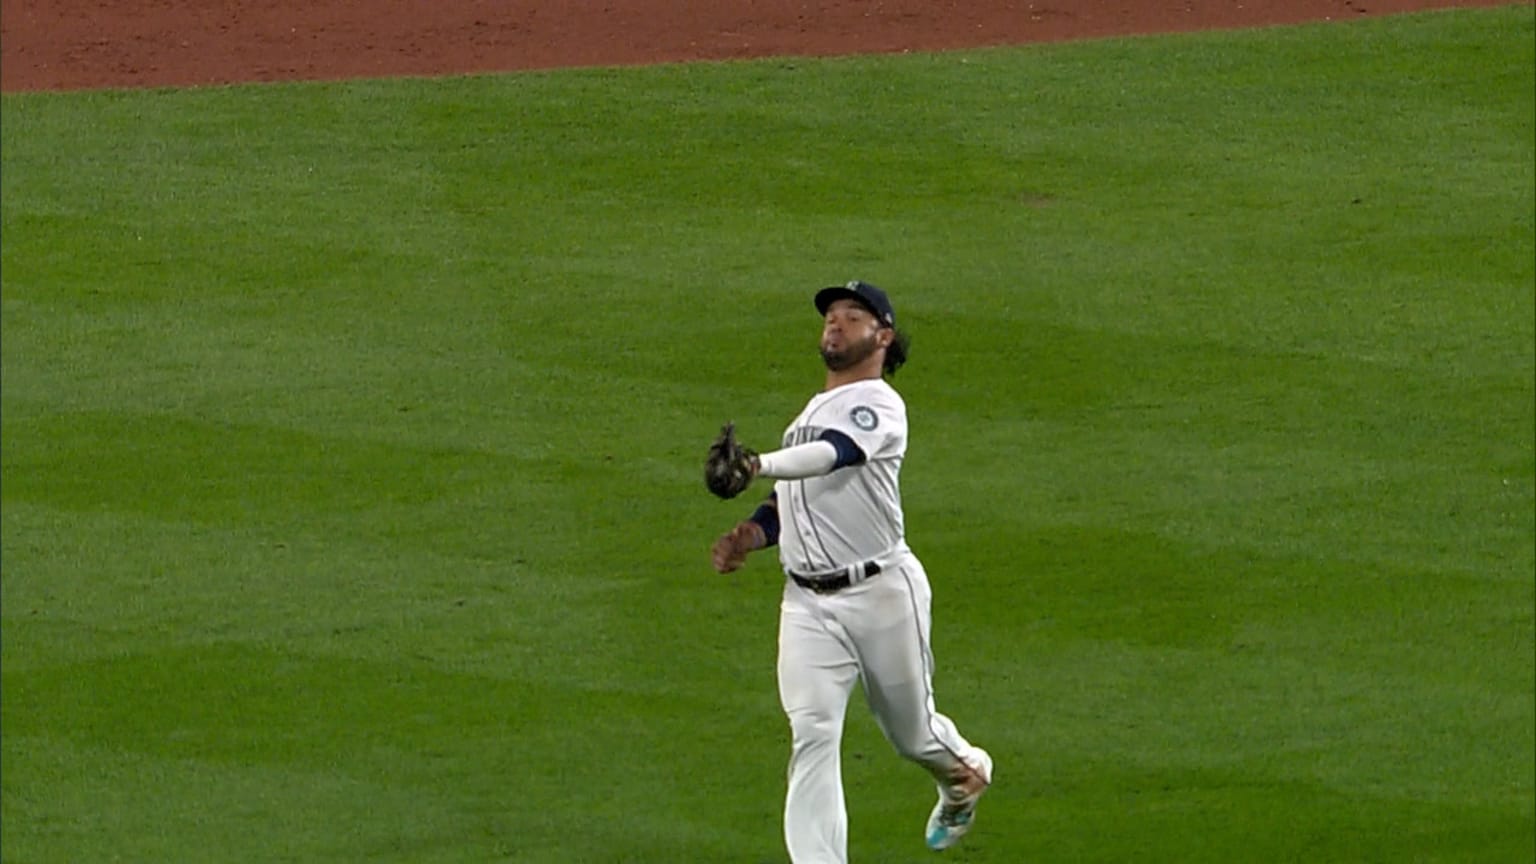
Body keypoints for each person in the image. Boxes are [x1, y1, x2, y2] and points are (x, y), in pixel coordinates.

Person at [709, 280, 993, 863]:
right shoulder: (807, 416)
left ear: (882, 337)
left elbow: (836, 453)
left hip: (881, 594)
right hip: (807, 607)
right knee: (812, 734)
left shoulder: (881, 406)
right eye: (831, 316)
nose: (835, 324)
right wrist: (750, 535)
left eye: (853, 317)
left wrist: (758, 463)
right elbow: (797, 499)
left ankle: (965, 774)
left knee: (912, 735)